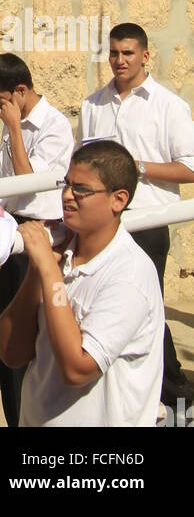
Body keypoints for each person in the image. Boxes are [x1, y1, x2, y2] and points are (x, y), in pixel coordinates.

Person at [0, 140, 164, 427]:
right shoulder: (62, 256)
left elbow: (77, 370)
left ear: (119, 200)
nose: (67, 196)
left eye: (81, 190)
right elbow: (12, 352)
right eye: (67, 184)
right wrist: (39, 271)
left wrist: (49, 271)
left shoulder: (129, 275)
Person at [78, 22, 194, 410]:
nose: (119, 60)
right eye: (113, 53)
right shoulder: (93, 104)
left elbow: (190, 168)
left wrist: (135, 167)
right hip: (99, 225)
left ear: (145, 56)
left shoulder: (169, 106)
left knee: (146, 307)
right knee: (98, 306)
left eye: (127, 53)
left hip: (145, 223)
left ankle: (177, 397)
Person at [0, 52, 74, 427]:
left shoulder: (54, 126)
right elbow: (5, 182)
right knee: (9, 328)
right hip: (12, 229)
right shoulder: (10, 122)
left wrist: (16, 129)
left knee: (32, 334)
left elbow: (29, 180)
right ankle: (13, 416)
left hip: (41, 234)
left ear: (20, 91)